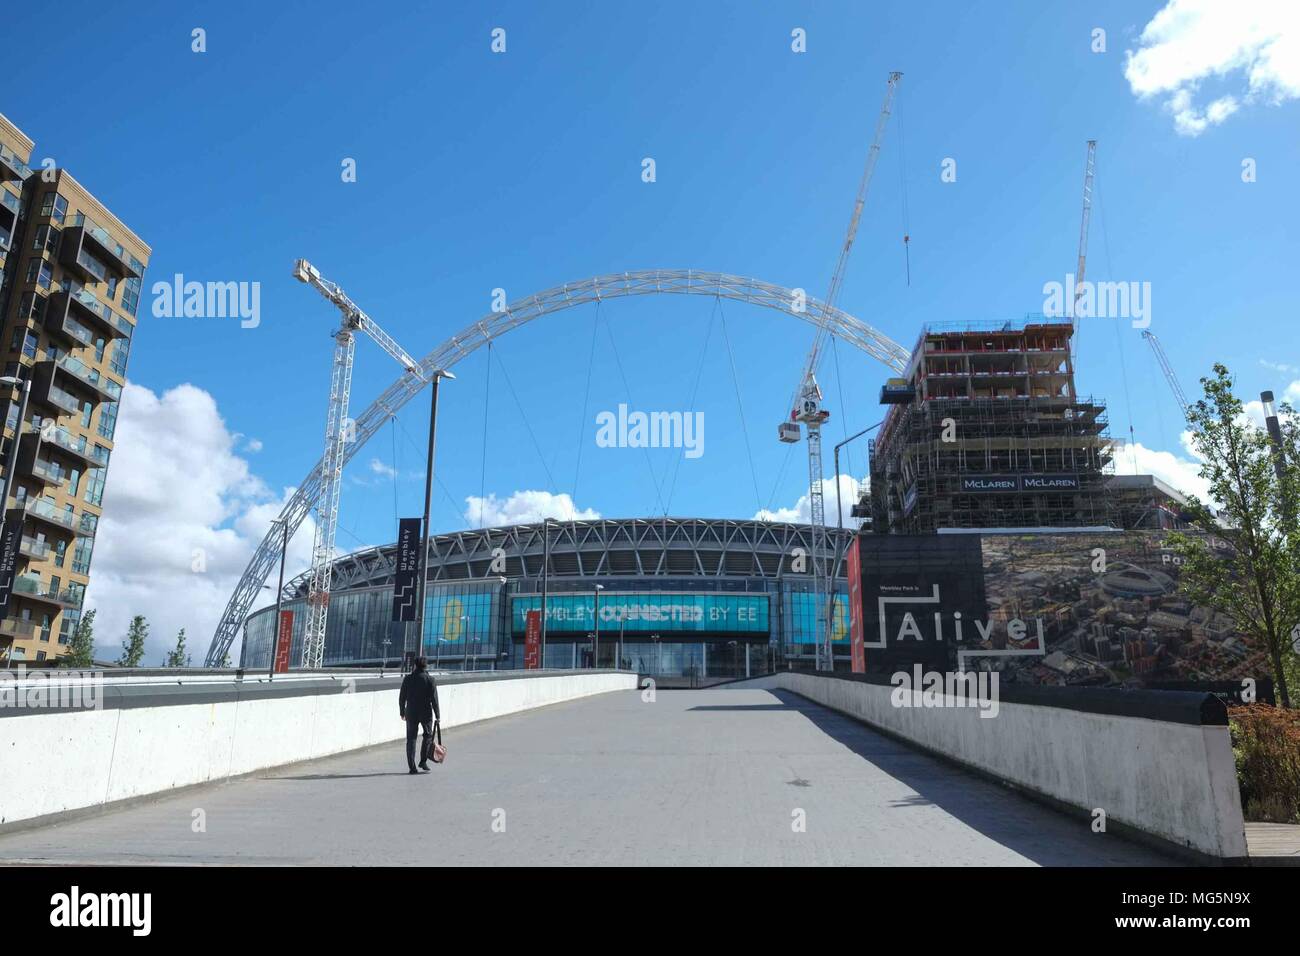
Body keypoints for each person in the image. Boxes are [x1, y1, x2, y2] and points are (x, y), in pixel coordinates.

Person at [399, 656, 440, 774]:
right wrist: (438, 715)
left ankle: (412, 767)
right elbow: (434, 699)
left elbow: (402, 697)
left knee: (411, 739)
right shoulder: (430, 680)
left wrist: (402, 711)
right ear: (426, 666)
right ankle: (423, 761)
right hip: (426, 712)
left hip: (411, 711)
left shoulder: (408, 678)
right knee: (428, 735)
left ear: (415, 665)